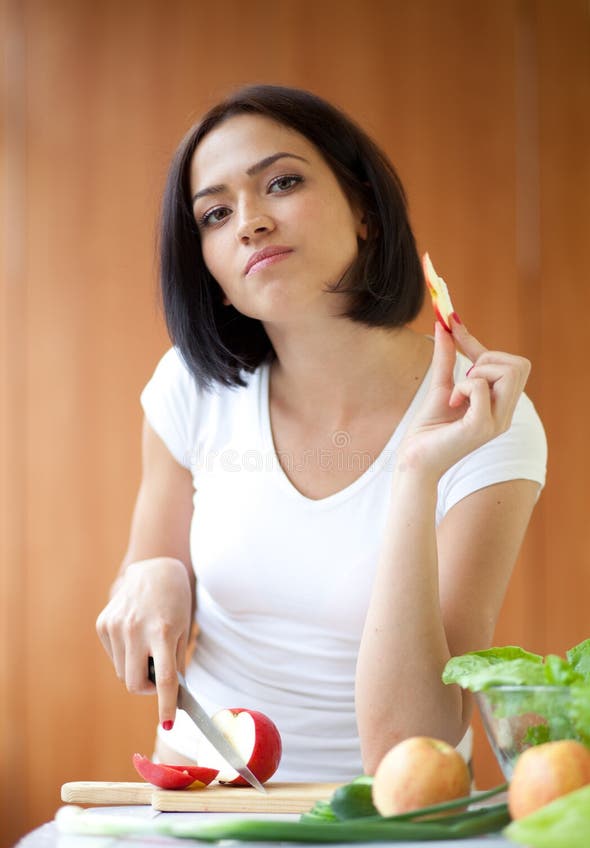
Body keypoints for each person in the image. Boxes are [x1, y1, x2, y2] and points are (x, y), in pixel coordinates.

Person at [96, 84, 547, 782]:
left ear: (364, 211)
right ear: (210, 271)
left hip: (389, 815)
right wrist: (152, 575)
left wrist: (415, 471)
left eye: (281, 182)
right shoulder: (190, 388)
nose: (249, 223)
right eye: (215, 214)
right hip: (205, 805)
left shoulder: (487, 418)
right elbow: (150, 577)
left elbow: (412, 745)